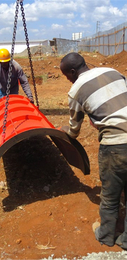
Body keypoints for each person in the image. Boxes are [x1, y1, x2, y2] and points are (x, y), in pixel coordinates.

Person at [59, 52, 127, 249]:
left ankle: (105, 235)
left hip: (116, 145)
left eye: (66, 76)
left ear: (72, 72)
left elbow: (74, 130)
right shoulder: (113, 72)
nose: (68, 80)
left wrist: (66, 130)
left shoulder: (76, 90)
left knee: (110, 194)